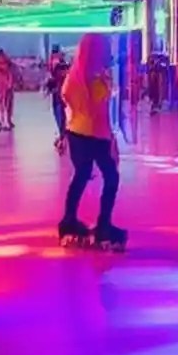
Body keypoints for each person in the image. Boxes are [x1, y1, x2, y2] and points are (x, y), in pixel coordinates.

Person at [58, 33, 125, 249]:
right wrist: (111, 142)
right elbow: (101, 115)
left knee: (81, 175)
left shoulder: (73, 78)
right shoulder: (98, 82)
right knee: (111, 176)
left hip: (75, 133)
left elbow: (67, 101)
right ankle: (104, 225)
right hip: (95, 135)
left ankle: (68, 221)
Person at [45, 53, 70, 154]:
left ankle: (63, 140)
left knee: (63, 122)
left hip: (64, 105)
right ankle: (62, 138)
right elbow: (48, 90)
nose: (63, 72)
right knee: (61, 121)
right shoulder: (54, 80)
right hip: (58, 103)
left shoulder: (68, 80)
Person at [0, 49, 15, 131]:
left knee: (7, 103)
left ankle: (6, 120)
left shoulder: (7, 65)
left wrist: (9, 83)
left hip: (6, 84)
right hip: (1, 86)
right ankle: (1, 121)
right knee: (1, 103)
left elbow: (10, 70)